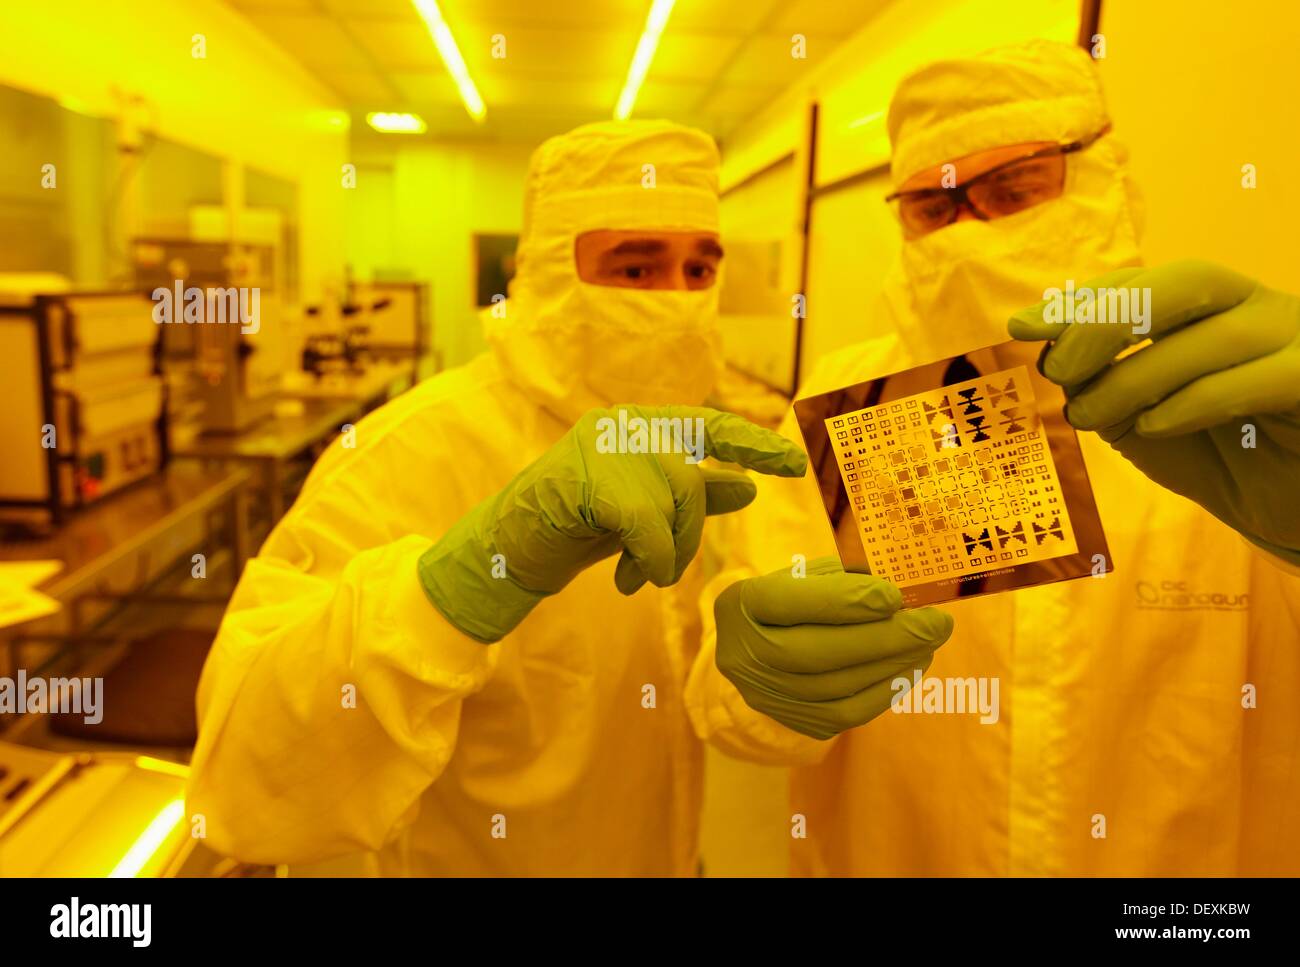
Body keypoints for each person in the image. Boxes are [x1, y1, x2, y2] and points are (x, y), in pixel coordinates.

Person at [687, 40, 1300, 875]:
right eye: (935, 209)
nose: (972, 235)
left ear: (1099, 176)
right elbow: (747, 718)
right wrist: (756, 678)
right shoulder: (853, 403)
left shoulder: (1234, 388)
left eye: (1014, 188)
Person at [185, 119, 843, 875]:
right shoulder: (411, 448)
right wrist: (455, 589)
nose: (677, 301)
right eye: (635, 270)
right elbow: (241, 779)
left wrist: (778, 667)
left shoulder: (698, 438)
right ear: (545, 273)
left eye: (699, 271)